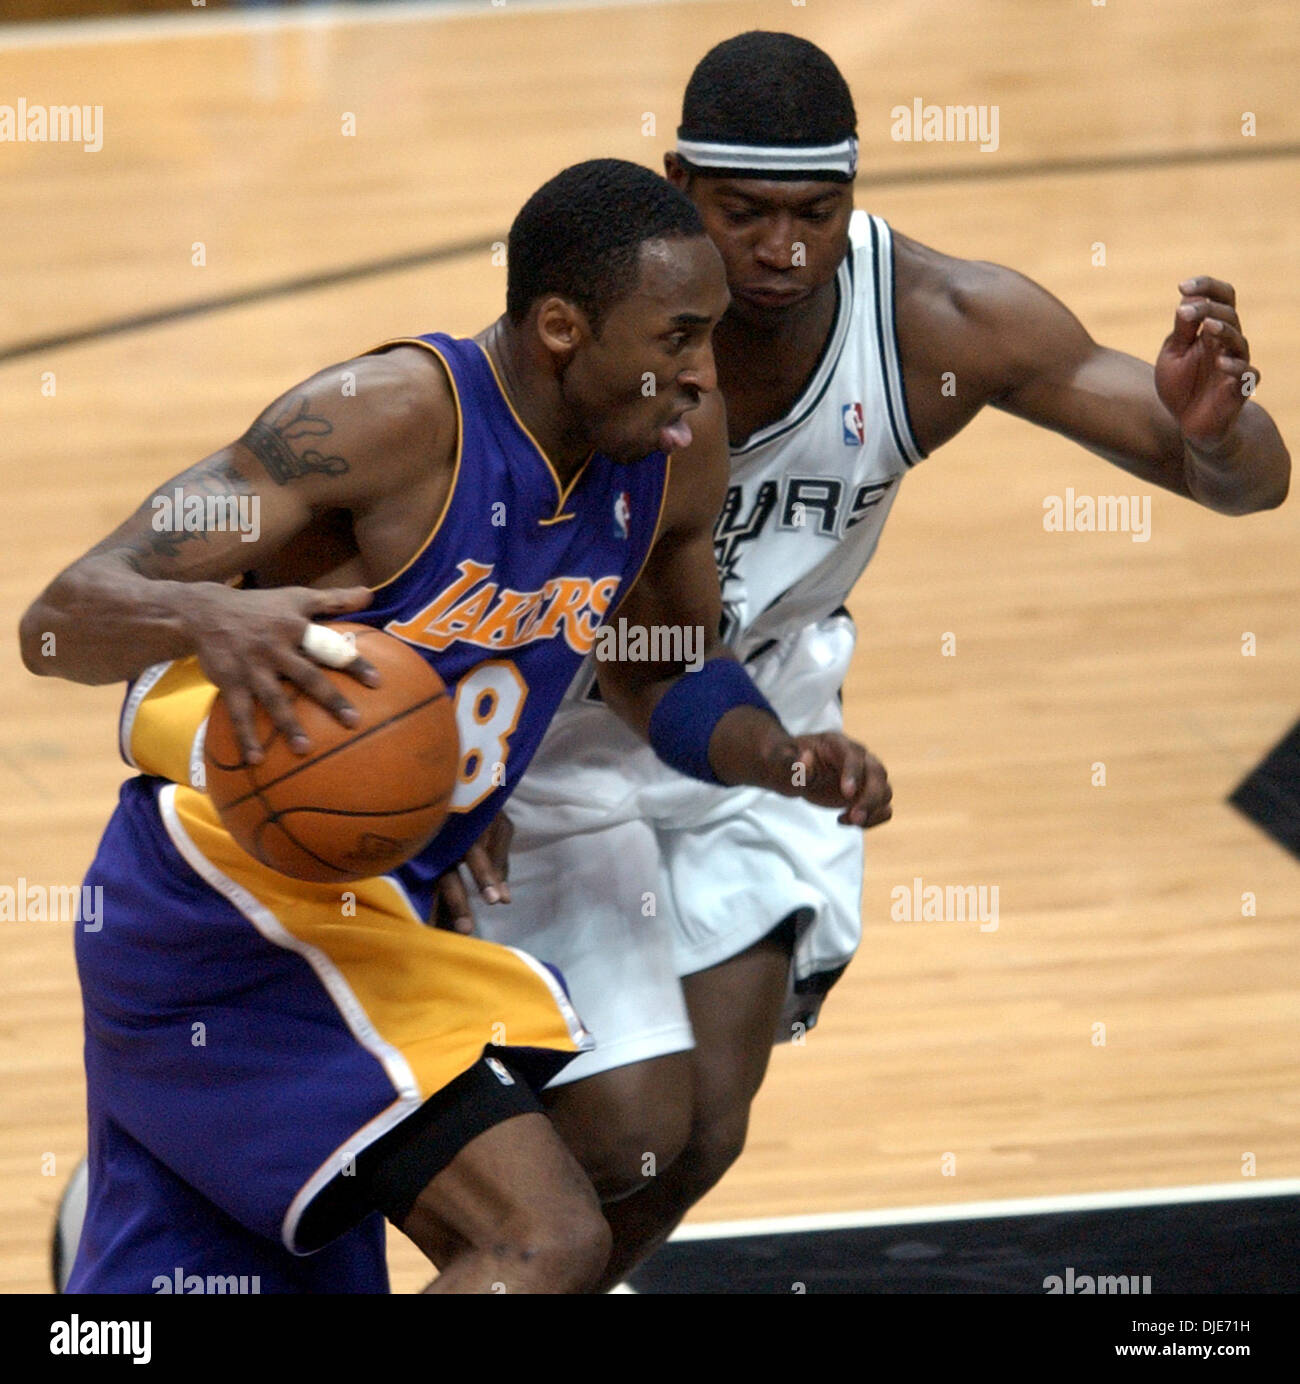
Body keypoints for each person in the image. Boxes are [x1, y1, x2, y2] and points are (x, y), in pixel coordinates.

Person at [465, 32, 1291, 1290]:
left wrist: (1216, 432)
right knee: (621, 1136)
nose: (784, 250)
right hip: (570, 729)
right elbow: (557, 614)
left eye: (817, 211)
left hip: (772, 712)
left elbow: (1239, 484)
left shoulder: (937, 322)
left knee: (705, 1134)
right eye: (745, 213)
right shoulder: (595, 342)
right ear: (678, 180)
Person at [21, 157, 893, 1295]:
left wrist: (778, 755)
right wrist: (204, 617)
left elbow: (660, 668)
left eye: (710, 336)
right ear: (562, 327)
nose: (700, 374)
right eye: (675, 338)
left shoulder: (668, 460)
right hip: (227, 897)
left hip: (371, 901)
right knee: (545, 1240)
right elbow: (60, 617)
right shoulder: (378, 420)